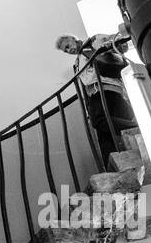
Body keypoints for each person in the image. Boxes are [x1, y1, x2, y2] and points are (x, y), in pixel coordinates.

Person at [55, 31, 136, 164]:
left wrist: (113, 42)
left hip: (106, 89)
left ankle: (135, 126)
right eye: (66, 50)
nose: (69, 50)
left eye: (68, 45)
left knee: (98, 121)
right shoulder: (77, 64)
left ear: (72, 38)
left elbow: (119, 43)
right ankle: (110, 168)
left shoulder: (93, 41)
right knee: (104, 135)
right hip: (95, 94)